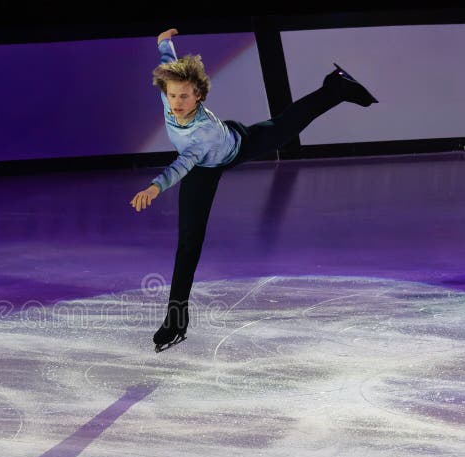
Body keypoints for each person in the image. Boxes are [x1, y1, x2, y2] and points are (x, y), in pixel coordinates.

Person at [131, 28, 377, 352]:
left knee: (286, 126)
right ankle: (176, 319)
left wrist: (154, 186)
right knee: (189, 243)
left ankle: (336, 87)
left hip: (233, 145)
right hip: (205, 168)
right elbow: (169, 63)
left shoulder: (201, 134)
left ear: (199, 96)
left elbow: (182, 165)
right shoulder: (170, 95)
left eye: (185, 96)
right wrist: (164, 42)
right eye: (173, 95)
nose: (177, 102)